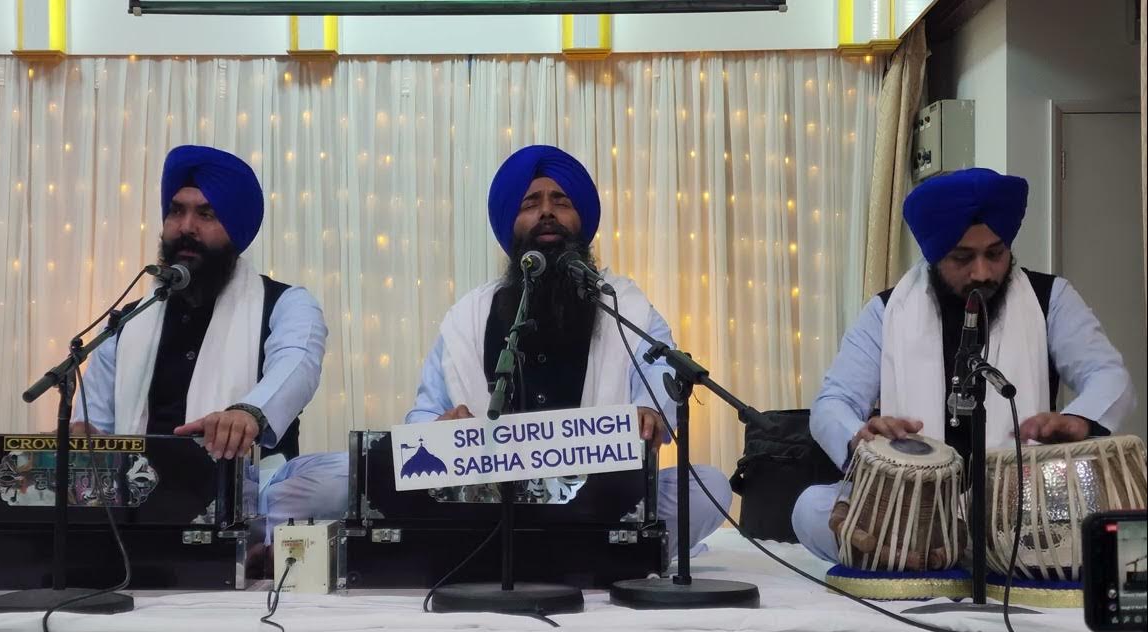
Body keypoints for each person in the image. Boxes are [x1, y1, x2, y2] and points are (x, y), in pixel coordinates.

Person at [792, 167, 1136, 562]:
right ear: (934, 255)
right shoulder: (887, 312)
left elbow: (1109, 376)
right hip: (912, 505)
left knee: (1112, 512)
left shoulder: (1050, 299)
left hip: (1022, 501)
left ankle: (904, 557)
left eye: (995, 253)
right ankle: (914, 548)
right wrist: (861, 438)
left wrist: (1080, 420)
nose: (982, 272)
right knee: (810, 508)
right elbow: (832, 402)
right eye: (962, 257)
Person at [405, 144, 730, 551]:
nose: (547, 212)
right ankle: (583, 556)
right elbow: (422, 414)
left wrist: (650, 410)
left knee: (709, 487)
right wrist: (438, 428)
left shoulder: (624, 306)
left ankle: (583, 552)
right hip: (490, 503)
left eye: (561, 201)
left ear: (580, 220)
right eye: (530, 202)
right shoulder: (467, 318)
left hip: (599, 503)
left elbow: (659, 376)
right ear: (511, 221)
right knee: (353, 477)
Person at [71, 145, 328, 463]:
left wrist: (248, 414)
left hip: (252, 501)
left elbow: (297, 367)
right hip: (138, 504)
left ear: (235, 230)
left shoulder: (286, 305)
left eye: (206, 214)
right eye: (176, 211)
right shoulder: (128, 320)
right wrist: (83, 439)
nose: (186, 227)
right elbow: (96, 427)